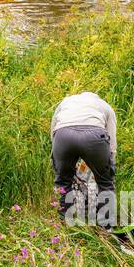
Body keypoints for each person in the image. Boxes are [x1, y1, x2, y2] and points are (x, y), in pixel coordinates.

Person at [50, 92, 116, 227]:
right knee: (105, 183)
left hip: (63, 135)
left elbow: (53, 130)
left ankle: (62, 224)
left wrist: (58, 157)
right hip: (95, 135)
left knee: (62, 182)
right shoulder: (105, 106)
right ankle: (106, 227)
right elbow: (112, 142)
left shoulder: (65, 101)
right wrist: (108, 166)